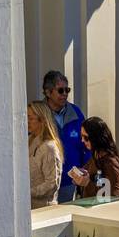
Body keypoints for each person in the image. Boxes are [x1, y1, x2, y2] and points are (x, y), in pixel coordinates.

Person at [42, 71, 85, 203]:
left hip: (70, 182)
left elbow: (86, 145)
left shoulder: (76, 112)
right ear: (48, 92)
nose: (65, 94)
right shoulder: (38, 115)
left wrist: (86, 169)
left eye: (67, 90)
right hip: (45, 184)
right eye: (60, 90)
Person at [68, 117, 119, 200]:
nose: (82, 140)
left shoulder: (110, 162)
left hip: (102, 211)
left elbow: (113, 195)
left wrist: (87, 182)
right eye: (81, 137)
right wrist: (79, 175)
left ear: (96, 137)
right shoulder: (95, 157)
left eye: (86, 137)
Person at [27, 101, 63, 209]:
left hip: (44, 208)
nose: (27, 121)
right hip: (28, 207)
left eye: (30, 118)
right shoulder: (29, 140)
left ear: (42, 120)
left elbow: (52, 184)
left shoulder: (49, 147)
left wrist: (27, 193)